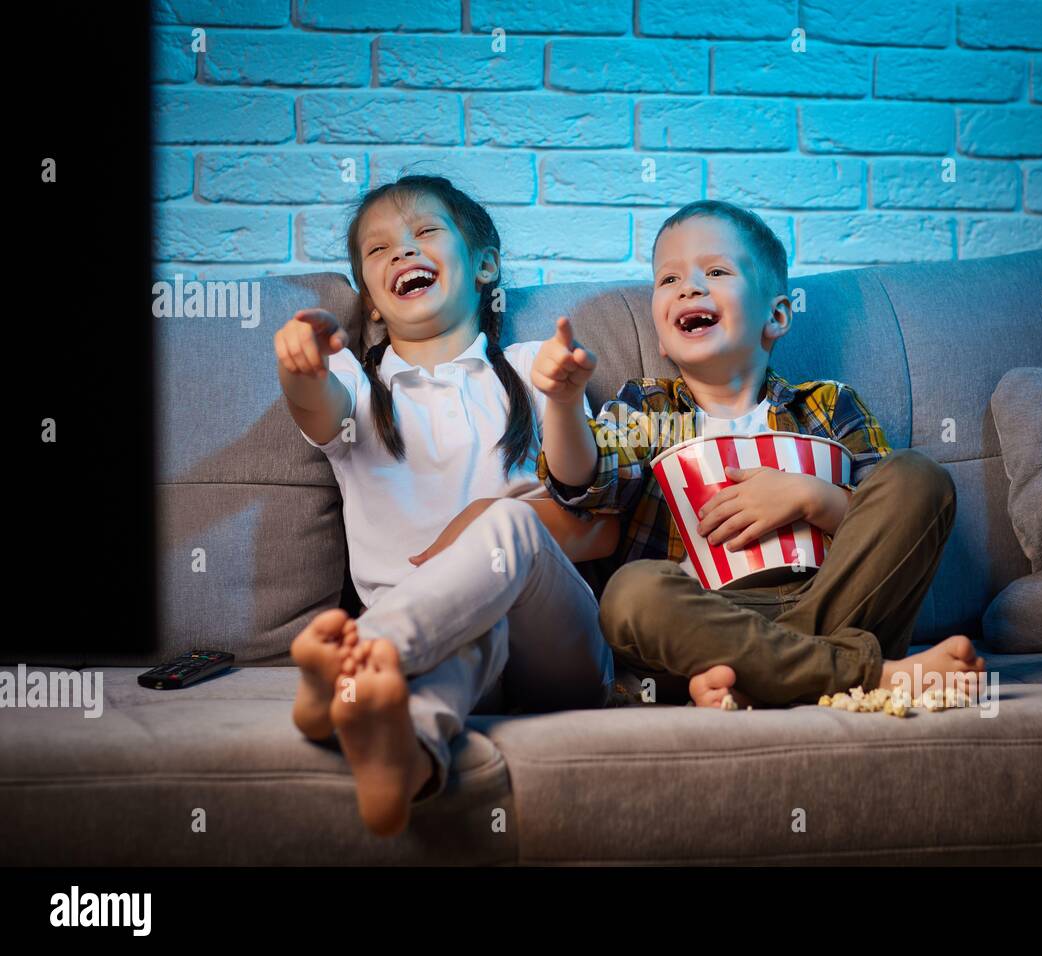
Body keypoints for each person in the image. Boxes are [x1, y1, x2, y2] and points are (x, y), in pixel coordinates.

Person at [533, 200, 985, 709]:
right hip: (710, 619)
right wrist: (564, 402)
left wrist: (813, 498)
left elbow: (895, 521)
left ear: (776, 315)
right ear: (661, 337)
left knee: (918, 476)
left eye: (717, 270)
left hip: (836, 599)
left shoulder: (829, 405)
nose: (690, 286)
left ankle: (765, 677)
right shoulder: (649, 408)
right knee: (631, 594)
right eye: (668, 279)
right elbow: (582, 479)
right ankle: (868, 675)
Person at [277, 175, 614, 836]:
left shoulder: (528, 366)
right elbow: (317, 409)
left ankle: (357, 659)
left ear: (484, 264)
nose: (402, 252)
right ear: (370, 300)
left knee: (508, 521)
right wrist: (300, 366)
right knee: (460, 636)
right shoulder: (356, 384)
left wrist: (567, 400)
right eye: (378, 251)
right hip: (435, 641)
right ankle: (401, 751)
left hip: (560, 655)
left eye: (426, 232)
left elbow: (588, 506)